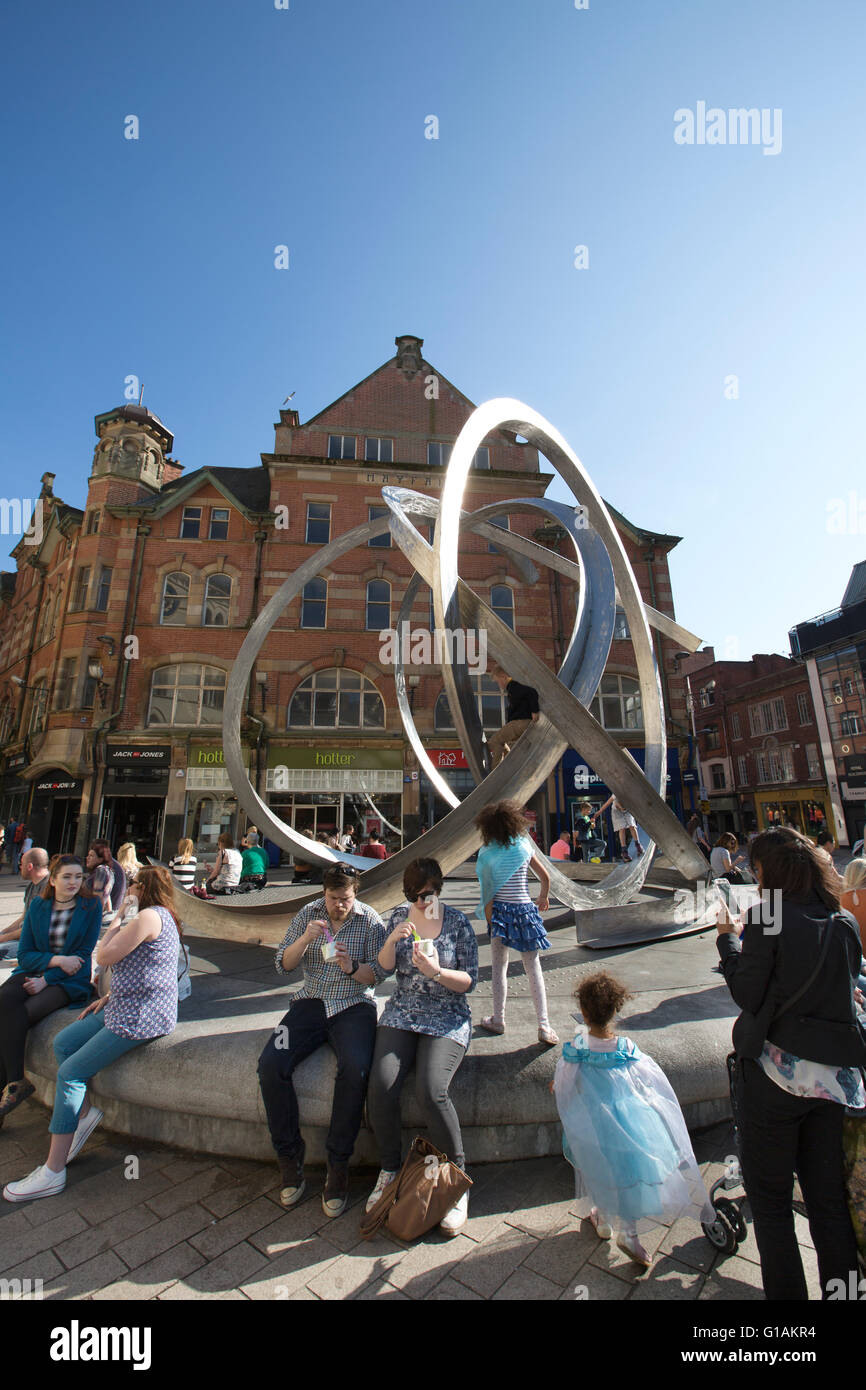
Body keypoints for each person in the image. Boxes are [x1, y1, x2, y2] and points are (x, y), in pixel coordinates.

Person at [716, 826, 865, 1301]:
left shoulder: (772, 915)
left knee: (773, 1202)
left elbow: (747, 992)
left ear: (771, 873)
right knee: (828, 1203)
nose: (756, 880)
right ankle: (844, 1295)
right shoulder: (841, 920)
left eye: (757, 871)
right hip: (833, 1084)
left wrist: (728, 941)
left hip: (777, 1081)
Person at [3, 865, 183, 1202]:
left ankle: (53, 1171)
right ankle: (84, 1114)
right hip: (123, 1002)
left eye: (131, 884)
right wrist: (110, 996)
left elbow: (105, 955)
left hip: (141, 1017)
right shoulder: (162, 916)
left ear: (139, 888)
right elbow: (150, 967)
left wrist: (118, 917)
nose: (127, 887)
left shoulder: (146, 918)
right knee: (63, 1042)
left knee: (71, 1072)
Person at [554, 970, 713, 1267]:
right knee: (630, 1176)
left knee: (597, 1167)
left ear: (584, 1013)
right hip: (631, 1121)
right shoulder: (627, 1049)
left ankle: (601, 1218)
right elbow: (650, 1081)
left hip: (594, 1124)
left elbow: (564, 1083)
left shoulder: (576, 1050)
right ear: (615, 1011)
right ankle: (628, 1232)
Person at [257, 862, 388, 1218]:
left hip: (353, 1005)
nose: (339, 906)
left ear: (355, 894)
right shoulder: (308, 913)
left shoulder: (371, 921)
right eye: (333, 898)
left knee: (356, 1068)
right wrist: (304, 939)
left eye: (345, 899)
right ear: (323, 894)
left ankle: (338, 1162)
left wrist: (351, 967)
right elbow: (282, 965)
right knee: (271, 1064)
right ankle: (289, 1158)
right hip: (309, 1003)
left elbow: (377, 975)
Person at [366, 858, 478, 1233]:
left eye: (426, 895)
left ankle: (455, 1180)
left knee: (432, 1091)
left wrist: (436, 972)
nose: (419, 902)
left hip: (446, 1014)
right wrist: (391, 940)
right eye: (413, 896)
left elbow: (469, 981)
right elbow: (380, 971)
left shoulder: (458, 923)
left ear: (438, 889)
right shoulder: (400, 916)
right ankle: (389, 1169)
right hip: (403, 1011)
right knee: (381, 1086)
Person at [0, 855, 102, 1123]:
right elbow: (25, 955)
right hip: (34, 969)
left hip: (69, 980)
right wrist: (54, 960)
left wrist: (47, 979)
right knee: (3, 1001)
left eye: (78, 877)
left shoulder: (90, 906)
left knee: (22, 1013)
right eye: (67, 877)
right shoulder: (39, 906)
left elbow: (81, 957)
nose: (73, 882)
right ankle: (15, 1082)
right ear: (53, 878)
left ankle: (12, 1087)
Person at [474, 799, 558, 1045]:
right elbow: (545, 876)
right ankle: (544, 1026)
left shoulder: (487, 854)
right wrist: (542, 897)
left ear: (488, 828)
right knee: (534, 969)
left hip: (500, 915)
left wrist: (491, 921)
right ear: (515, 823)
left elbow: (487, 893)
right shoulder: (523, 847)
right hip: (524, 912)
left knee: (499, 969)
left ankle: (498, 1019)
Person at [0, 847, 50, 962]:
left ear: (30, 866)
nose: (20, 867)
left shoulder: (48, 889)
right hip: (22, 936)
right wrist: (3, 932)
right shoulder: (31, 886)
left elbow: (33, 928)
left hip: (34, 942)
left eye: (21, 864)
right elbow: (23, 918)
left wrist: (2, 938)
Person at [486, 664, 539, 770]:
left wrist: (535, 712)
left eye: (498, 681)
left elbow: (532, 692)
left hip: (520, 723)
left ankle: (496, 770)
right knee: (502, 742)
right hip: (520, 723)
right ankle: (507, 766)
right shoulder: (512, 688)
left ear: (504, 677)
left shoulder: (513, 686)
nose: (499, 684)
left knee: (494, 741)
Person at [592, 795, 645, 862]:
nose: (622, 809)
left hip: (628, 809)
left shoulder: (629, 794)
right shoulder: (615, 795)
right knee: (622, 828)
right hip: (616, 812)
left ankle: (638, 845)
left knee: (632, 825)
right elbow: (607, 803)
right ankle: (624, 851)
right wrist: (599, 812)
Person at [84, 840, 127, 923]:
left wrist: (91, 920)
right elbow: (107, 896)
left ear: (100, 859)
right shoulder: (106, 869)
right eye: (88, 855)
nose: (87, 858)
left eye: (91, 856)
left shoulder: (101, 871)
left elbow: (98, 898)